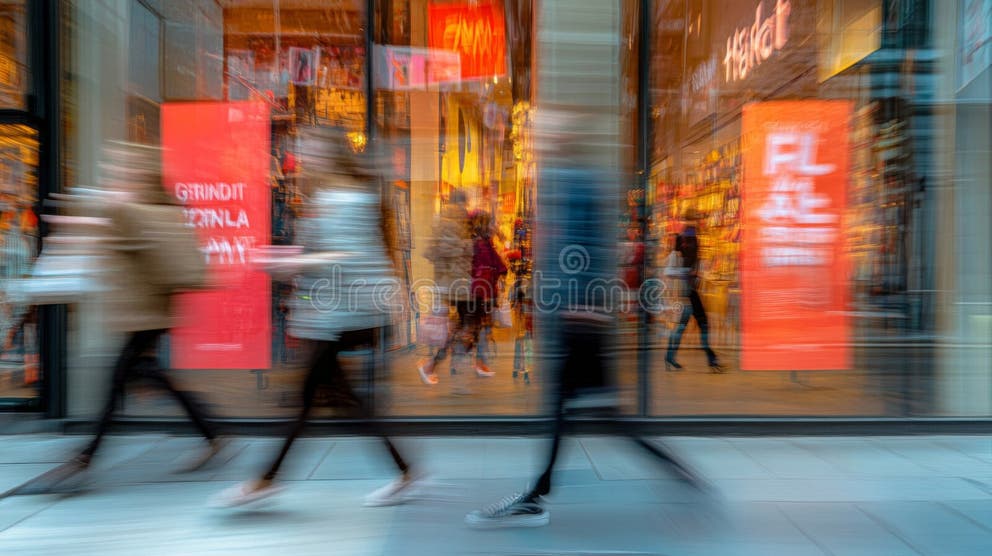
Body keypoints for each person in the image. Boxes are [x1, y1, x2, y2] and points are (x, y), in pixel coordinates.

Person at [465, 112, 706, 529]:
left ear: (561, 138)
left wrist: (579, 303)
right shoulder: (567, 180)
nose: (536, 139)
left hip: (580, 318)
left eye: (543, 133)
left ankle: (537, 495)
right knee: (593, 412)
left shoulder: (573, 181)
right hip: (580, 316)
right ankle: (674, 470)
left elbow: (585, 248)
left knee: (574, 409)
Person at [212, 127, 420, 508]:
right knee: (335, 399)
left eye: (310, 150)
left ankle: (264, 481)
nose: (303, 157)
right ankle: (404, 472)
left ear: (331, 154)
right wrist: (290, 260)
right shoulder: (329, 196)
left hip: (343, 313)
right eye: (301, 150)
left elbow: (345, 257)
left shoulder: (346, 198)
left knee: (309, 398)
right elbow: (324, 251)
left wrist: (290, 263)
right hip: (331, 313)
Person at [69, 142, 225, 476]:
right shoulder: (154, 210)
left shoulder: (134, 212)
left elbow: (113, 241)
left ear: (141, 174)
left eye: (121, 168)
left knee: (117, 382)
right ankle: (211, 431)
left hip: (146, 315)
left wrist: (101, 214)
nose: (115, 173)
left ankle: (87, 456)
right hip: (151, 312)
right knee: (151, 376)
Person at [418, 190, 476, 389]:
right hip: (458, 283)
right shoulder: (458, 220)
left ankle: (440, 366)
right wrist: (465, 246)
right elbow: (448, 249)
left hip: (447, 282)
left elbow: (430, 252)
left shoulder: (441, 220)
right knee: (466, 324)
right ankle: (436, 366)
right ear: (462, 202)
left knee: (460, 325)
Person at [665, 210, 722, 372]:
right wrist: (690, 272)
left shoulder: (686, 237)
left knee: (684, 324)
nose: (697, 222)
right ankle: (711, 359)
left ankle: (670, 356)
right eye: (695, 219)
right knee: (701, 321)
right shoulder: (689, 238)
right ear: (691, 220)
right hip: (688, 287)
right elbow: (683, 262)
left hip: (688, 286)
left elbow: (686, 261)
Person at [467, 209, 507, 377]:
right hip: (483, 292)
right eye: (491, 223)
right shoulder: (482, 245)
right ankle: (479, 363)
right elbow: (497, 265)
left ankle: (478, 362)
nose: (493, 226)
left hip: (480, 291)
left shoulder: (479, 242)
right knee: (481, 327)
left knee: (479, 327)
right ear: (484, 225)